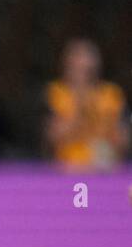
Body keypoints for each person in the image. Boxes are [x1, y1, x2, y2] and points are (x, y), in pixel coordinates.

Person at [45, 38, 128, 171]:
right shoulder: (56, 93)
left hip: (104, 169)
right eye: (76, 61)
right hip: (67, 170)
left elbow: (122, 140)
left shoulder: (111, 94)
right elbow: (53, 138)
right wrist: (80, 99)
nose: (81, 66)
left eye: (86, 62)